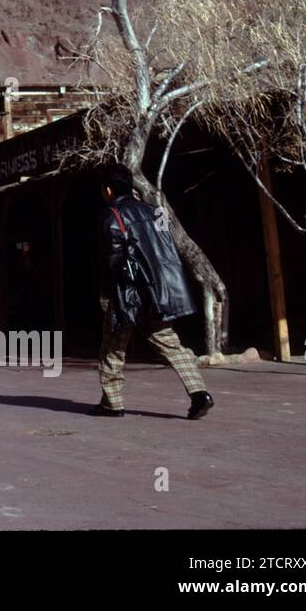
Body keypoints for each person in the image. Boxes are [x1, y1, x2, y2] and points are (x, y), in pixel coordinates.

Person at [94, 163, 213, 419]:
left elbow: (113, 262)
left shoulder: (111, 215)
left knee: (113, 347)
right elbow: (166, 253)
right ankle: (199, 393)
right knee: (171, 345)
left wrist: (107, 296)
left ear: (107, 189)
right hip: (157, 294)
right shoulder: (154, 212)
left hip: (127, 294)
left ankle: (112, 403)